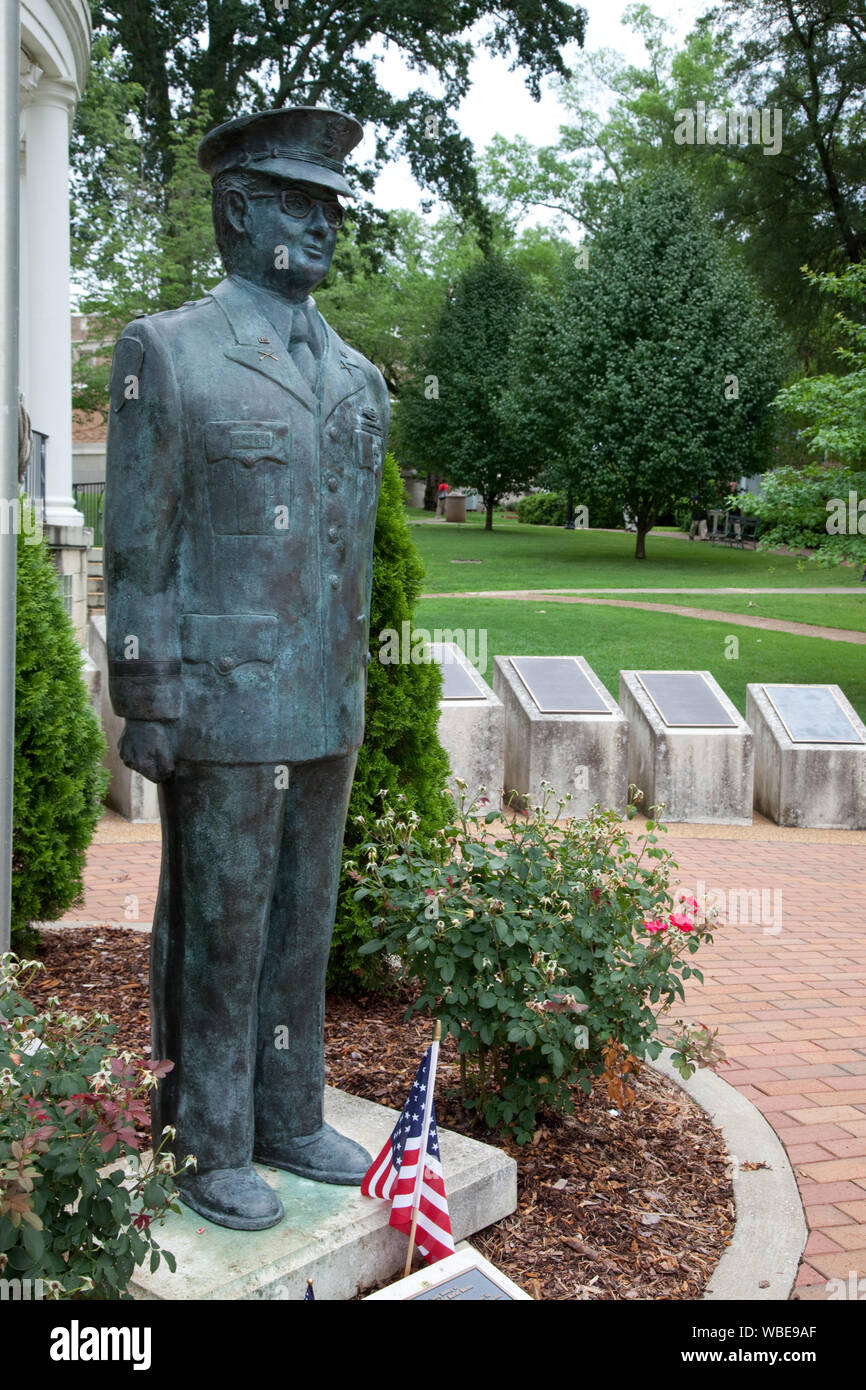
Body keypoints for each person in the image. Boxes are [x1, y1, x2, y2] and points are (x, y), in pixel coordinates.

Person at [104, 107, 388, 1231]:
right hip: (222, 704)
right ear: (236, 212)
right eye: (297, 203)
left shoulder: (360, 376)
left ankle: (285, 1107)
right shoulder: (165, 353)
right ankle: (207, 1138)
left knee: (300, 923)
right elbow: (138, 542)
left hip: (323, 700)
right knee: (219, 931)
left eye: (331, 208)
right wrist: (148, 693)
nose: (322, 226)